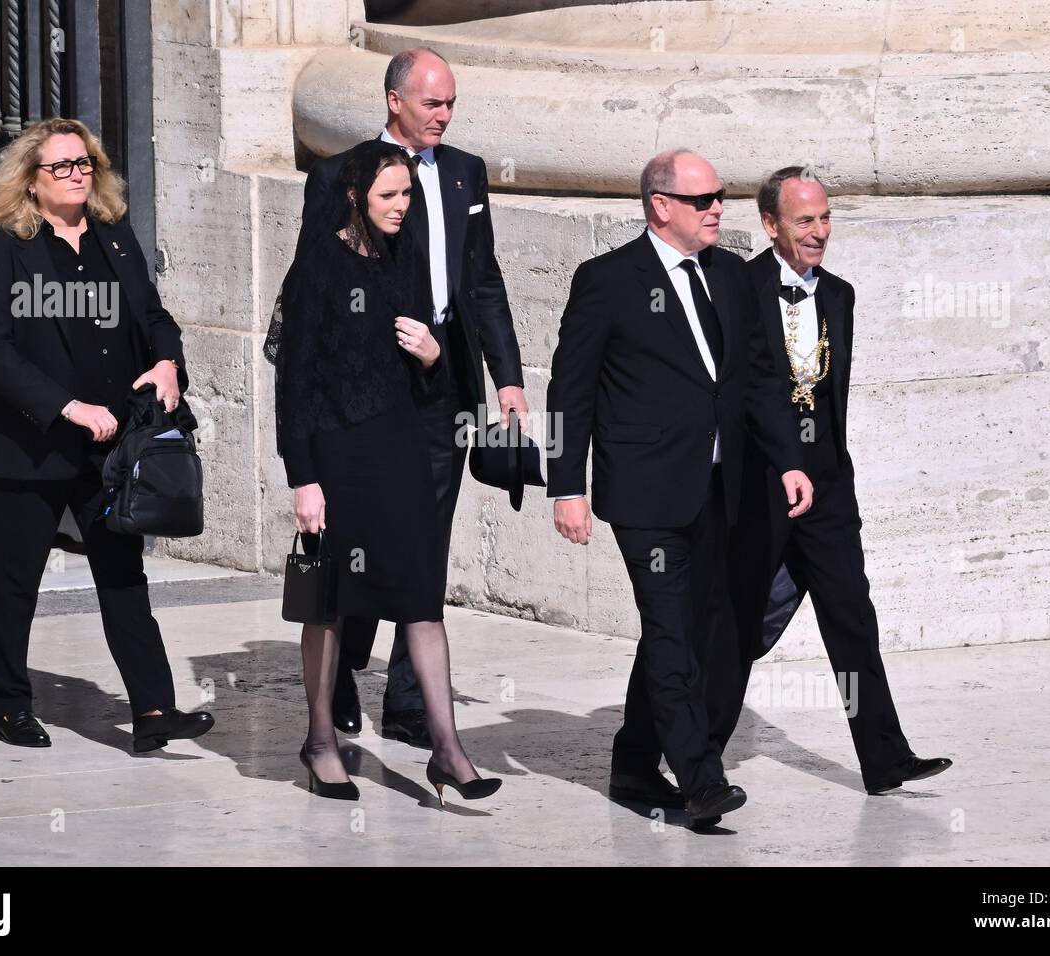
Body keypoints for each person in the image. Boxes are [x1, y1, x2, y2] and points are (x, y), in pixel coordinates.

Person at [545, 149, 813, 829]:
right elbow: (569, 393)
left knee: (695, 634)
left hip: (723, 490)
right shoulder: (606, 280)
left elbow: (761, 378)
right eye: (703, 200)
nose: (718, 207)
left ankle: (635, 761)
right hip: (645, 495)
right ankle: (700, 781)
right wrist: (565, 485)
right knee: (669, 629)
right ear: (660, 206)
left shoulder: (730, 276)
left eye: (720, 195)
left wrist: (788, 460)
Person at [297, 47, 527, 747]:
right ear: (394, 100)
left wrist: (508, 379)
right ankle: (337, 676)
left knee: (425, 539)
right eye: (432, 102)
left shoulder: (465, 173)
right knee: (364, 533)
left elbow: (482, 279)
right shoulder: (341, 175)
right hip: (369, 393)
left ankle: (407, 704)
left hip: (444, 385)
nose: (444, 115)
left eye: (451, 102)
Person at [0, 117, 213, 752]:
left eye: (86, 165)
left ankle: (155, 710)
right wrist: (67, 407)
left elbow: (154, 316)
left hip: (112, 442)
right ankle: (7, 705)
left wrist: (167, 362)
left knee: (122, 573)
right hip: (33, 442)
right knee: (16, 580)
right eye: (63, 167)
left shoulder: (114, 235)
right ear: (30, 180)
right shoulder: (1, 246)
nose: (78, 175)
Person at [271, 140, 501, 805]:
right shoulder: (317, 266)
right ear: (355, 197)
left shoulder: (403, 261)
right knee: (331, 606)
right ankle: (320, 741)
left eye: (407, 195)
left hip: (401, 452)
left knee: (422, 603)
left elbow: (430, 379)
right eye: (389, 196)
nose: (402, 207)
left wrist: (434, 355)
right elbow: (295, 384)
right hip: (337, 458)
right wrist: (303, 479)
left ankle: (448, 748)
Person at [714, 166, 952, 795]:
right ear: (770, 226)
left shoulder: (840, 294)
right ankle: (697, 754)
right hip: (760, 488)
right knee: (738, 625)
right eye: (805, 221)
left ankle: (885, 758)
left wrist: (832, 471)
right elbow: (736, 393)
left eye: (825, 219)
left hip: (828, 489)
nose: (819, 232)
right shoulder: (737, 288)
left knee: (851, 617)